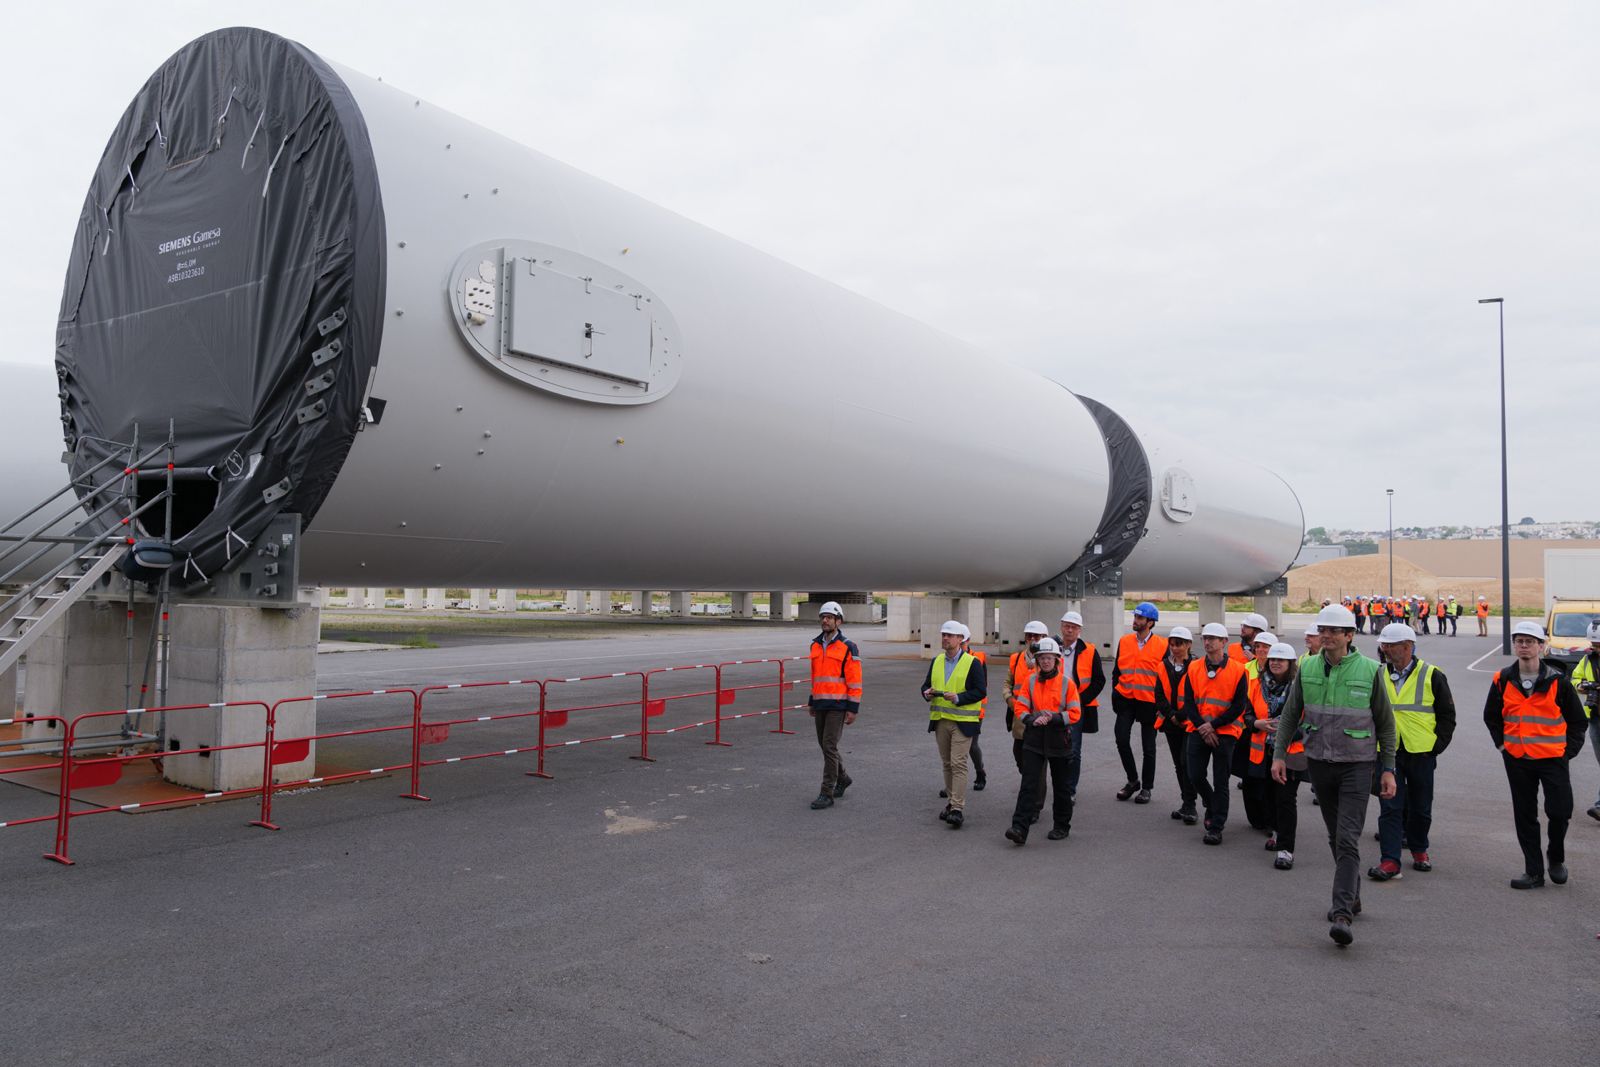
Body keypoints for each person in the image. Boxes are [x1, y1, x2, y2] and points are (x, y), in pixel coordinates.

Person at [1272, 603, 1397, 947]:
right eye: (1322, 630)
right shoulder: (1308, 667)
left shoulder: (1371, 671)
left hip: (1357, 765)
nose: (1325, 635)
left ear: (1349, 635)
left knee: (1346, 838)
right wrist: (1278, 755)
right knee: (1334, 836)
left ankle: (1341, 913)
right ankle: (1353, 896)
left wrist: (1388, 770)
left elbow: (1387, 726)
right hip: (1319, 764)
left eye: (1333, 631)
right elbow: (1289, 715)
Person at [1482, 620, 1587, 888]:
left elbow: (1578, 722)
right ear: (1515, 646)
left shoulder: (1558, 681)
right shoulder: (1503, 679)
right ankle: (1534, 871)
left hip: (1553, 759)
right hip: (1518, 760)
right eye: (1520, 641)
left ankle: (1555, 858)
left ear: (1541, 646)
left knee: (1560, 812)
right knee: (1525, 815)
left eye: (1530, 641)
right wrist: (1502, 747)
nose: (1524, 646)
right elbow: (1491, 717)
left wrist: (1566, 752)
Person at [1367, 623, 1456, 880]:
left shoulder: (1432, 674)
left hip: (1421, 752)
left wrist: (1435, 747)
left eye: (1390, 645)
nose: (1384, 649)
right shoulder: (1377, 673)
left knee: (1420, 807)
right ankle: (1390, 861)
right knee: (1390, 807)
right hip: (1386, 752)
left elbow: (1447, 716)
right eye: (1383, 645)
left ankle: (1419, 849)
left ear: (1407, 647)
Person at [1179, 622, 1250, 845]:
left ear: (1224, 642)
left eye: (1213, 638)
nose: (1208, 642)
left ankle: (1216, 826)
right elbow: (1189, 702)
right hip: (1198, 728)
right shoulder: (1194, 667)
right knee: (1195, 775)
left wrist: (1215, 725)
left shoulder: (1239, 670)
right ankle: (1211, 802)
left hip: (1226, 731)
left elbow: (1239, 705)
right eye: (1205, 638)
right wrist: (1203, 726)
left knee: (1221, 780)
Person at [1004, 637, 1080, 845]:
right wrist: (1031, 719)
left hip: (1059, 741)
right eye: (1042, 658)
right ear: (1037, 661)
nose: (1045, 662)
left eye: (1049, 658)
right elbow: (1020, 707)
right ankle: (1019, 828)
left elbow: (1075, 713)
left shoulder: (1067, 684)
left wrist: (1054, 718)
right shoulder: (1030, 682)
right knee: (1028, 785)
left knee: (1062, 787)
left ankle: (1062, 826)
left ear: (1057, 660)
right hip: (1034, 739)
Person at [1245, 643, 1307, 869]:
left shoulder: (1302, 687)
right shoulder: (1256, 684)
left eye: (1281, 660)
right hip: (1263, 751)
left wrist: (1289, 732)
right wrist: (1256, 723)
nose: (1275, 663)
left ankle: (1286, 849)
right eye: (1272, 659)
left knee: (1285, 799)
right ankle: (1275, 831)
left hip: (1291, 753)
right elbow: (1246, 713)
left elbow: (1310, 722)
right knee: (1268, 796)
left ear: (1291, 664)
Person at [921, 620, 988, 829]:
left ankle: (957, 808)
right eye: (943, 634)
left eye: (950, 635)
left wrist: (959, 698)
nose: (945, 638)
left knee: (958, 763)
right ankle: (951, 802)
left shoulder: (972, 662)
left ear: (961, 639)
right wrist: (926, 693)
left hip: (963, 721)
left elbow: (980, 691)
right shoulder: (937, 661)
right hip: (941, 720)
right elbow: (926, 684)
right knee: (947, 763)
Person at [807, 601, 862, 810]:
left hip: (838, 705)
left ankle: (826, 792)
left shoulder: (848, 646)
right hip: (820, 702)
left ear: (838, 621)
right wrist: (812, 701)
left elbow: (855, 681)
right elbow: (815, 677)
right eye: (823, 617)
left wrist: (852, 708)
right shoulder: (814, 644)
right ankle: (843, 778)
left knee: (829, 746)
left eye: (829, 617)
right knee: (824, 745)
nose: (825, 620)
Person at [1110, 602, 1166, 803]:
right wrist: (1115, 694)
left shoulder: (1163, 645)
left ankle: (1147, 788)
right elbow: (1117, 671)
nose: (1135, 621)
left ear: (1150, 623)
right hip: (1125, 699)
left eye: (1140, 618)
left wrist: (1162, 706)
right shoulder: (1124, 641)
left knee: (1148, 748)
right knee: (1121, 739)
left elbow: (1165, 678)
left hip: (1149, 703)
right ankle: (1133, 780)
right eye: (1135, 617)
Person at [1153, 625, 1200, 824]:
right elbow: (1159, 695)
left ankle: (1191, 805)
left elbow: (1199, 695)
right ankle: (1186, 802)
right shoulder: (1163, 665)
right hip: (1171, 721)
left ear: (1188, 644)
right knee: (1178, 764)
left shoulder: (1197, 666)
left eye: (1179, 644)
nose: (1174, 647)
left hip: (1189, 722)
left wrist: (1181, 715)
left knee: (1186, 762)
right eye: (1172, 644)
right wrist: (1171, 715)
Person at [1059, 610, 1107, 798]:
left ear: (1079, 630)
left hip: (1075, 706)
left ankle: (1069, 790)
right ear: (1061, 626)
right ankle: (1058, 785)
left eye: (1073, 627)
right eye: (1066, 626)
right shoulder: (1053, 646)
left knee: (1073, 749)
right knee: (1053, 748)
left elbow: (1099, 680)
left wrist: (1080, 700)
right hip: (1053, 704)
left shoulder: (1089, 650)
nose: (1069, 630)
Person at [1004, 620, 1050, 774]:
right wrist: (1009, 699)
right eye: (1029, 636)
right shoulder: (1016, 659)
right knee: (1019, 753)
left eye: (1036, 636)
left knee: (1038, 759)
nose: (1032, 639)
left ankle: (1034, 791)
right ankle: (1029, 782)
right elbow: (1008, 683)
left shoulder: (1048, 660)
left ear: (1044, 637)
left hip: (1039, 716)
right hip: (1019, 716)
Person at [1574, 622, 1600, 822]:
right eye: (1594, 644)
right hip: (1595, 716)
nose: (1596, 647)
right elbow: (1574, 678)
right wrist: (1583, 685)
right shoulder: (1587, 660)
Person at [959, 625, 988, 793]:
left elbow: (981, 688)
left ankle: (980, 772)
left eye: (962, 642)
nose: (959, 646)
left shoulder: (978, 659)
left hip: (974, 710)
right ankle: (953, 783)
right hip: (952, 709)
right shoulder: (948, 658)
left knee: (972, 745)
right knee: (953, 748)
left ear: (968, 641)